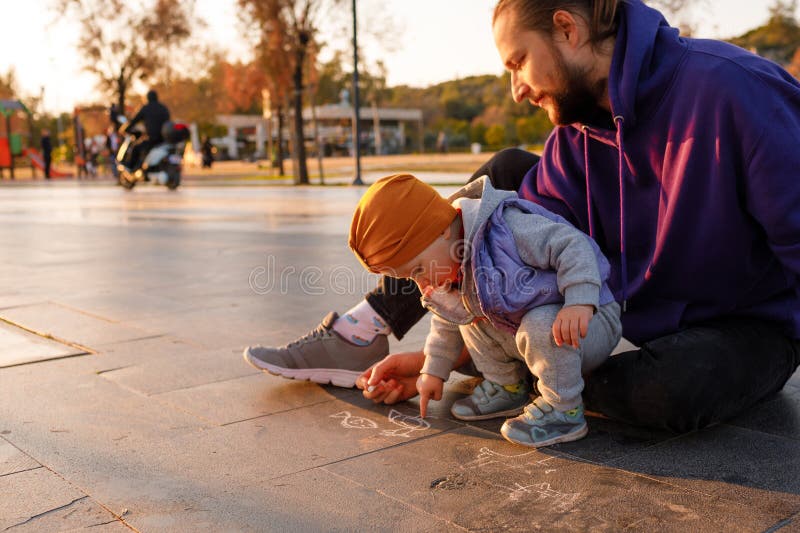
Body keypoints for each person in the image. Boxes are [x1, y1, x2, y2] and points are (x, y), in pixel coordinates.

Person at [244, 0, 800, 433]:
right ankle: (367, 326)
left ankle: (520, 374)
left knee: (664, 393)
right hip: (624, 311)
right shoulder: (576, 134)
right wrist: (441, 354)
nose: (516, 90)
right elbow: (507, 262)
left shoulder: (734, 90)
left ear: (567, 29)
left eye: (518, 62)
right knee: (500, 185)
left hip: (749, 323)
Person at [343, 174, 622, 447]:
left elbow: (573, 245)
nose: (422, 282)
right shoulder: (445, 268)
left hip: (586, 323)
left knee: (539, 323)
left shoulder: (507, 228)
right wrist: (432, 372)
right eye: (410, 278)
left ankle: (566, 410)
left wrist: (579, 301)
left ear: (440, 228)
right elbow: (444, 325)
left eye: (417, 269)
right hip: (534, 333)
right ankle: (508, 387)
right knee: (466, 318)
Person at [121, 89, 170, 172]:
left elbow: (134, 120)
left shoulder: (146, 108)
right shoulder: (163, 108)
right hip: (164, 139)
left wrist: (125, 129)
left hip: (152, 138)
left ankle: (130, 167)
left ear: (147, 98)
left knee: (136, 147)